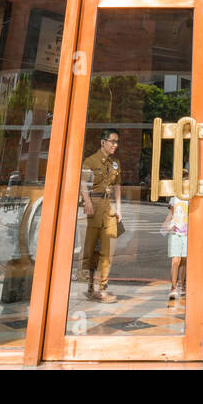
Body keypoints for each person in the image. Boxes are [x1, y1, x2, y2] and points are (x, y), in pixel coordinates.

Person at [80, 128, 123, 303]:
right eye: (112, 141)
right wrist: (87, 202)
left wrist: (119, 209)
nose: (115, 145)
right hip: (94, 206)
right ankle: (89, 286)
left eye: (117, 142)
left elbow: (117, 187)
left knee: (107, 250)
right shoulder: (90, 161)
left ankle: (102, 288)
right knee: (91, 249)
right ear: (102, 142)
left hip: (109, 208)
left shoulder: (116, 163)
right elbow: (83, 182)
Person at [160, 195, 189, 301]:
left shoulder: (192, 196)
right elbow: (171, 213)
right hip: (175, 231)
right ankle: (173, 287)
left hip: (187, 233)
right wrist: (166, 223)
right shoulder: (175, 198)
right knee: (175, 260)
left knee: (185, 260)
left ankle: (183, 285)